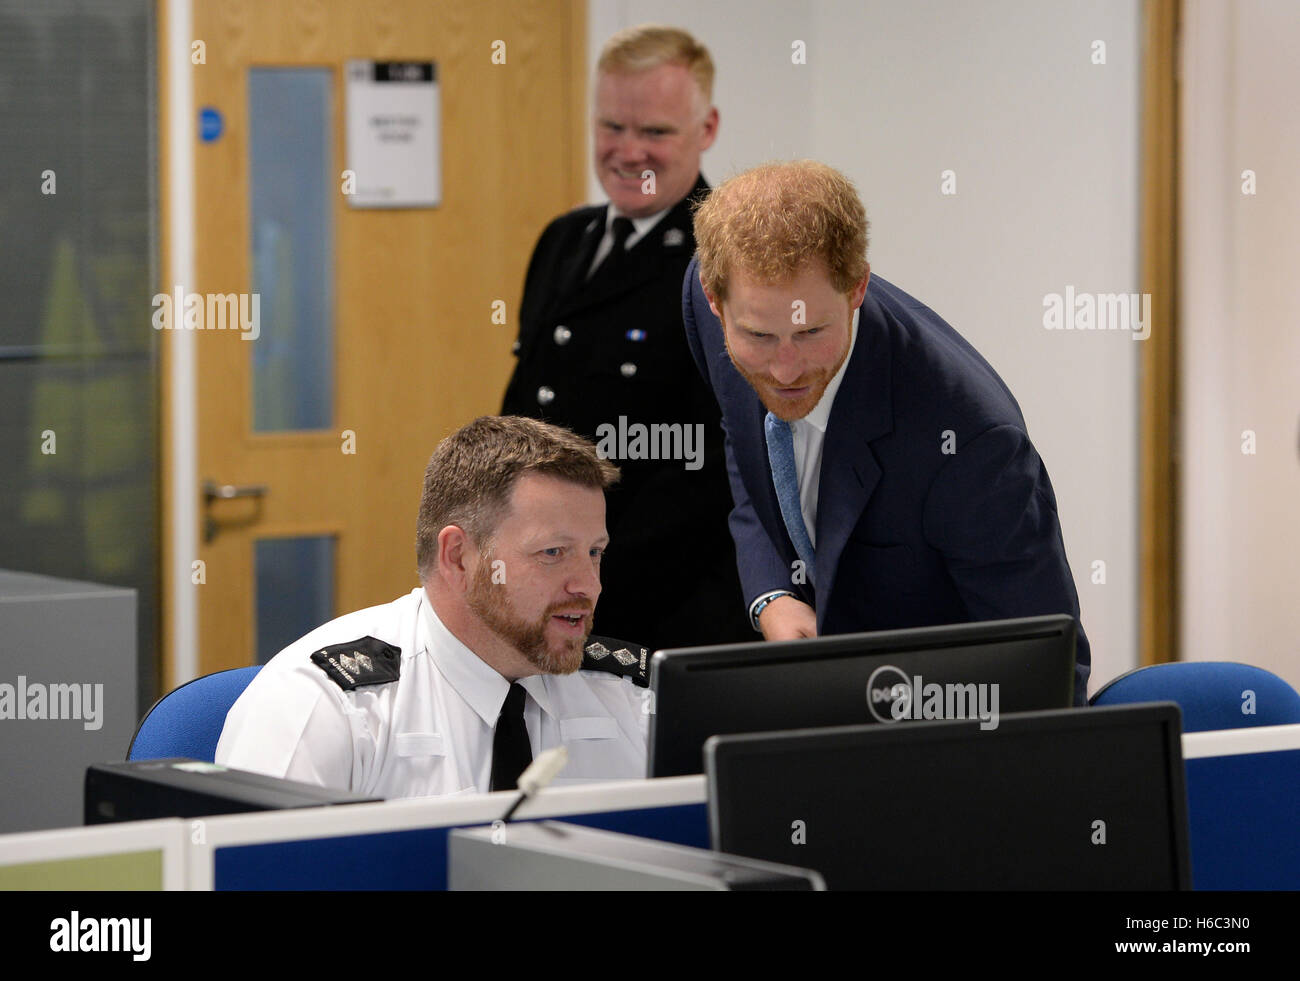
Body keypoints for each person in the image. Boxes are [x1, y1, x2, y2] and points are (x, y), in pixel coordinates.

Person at [682, 160, 1092, 705]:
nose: (784, 370)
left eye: (810, 333)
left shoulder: (971, 443)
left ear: (857, 288)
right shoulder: (705, 297)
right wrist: (771, 593)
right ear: (715, 299)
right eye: (758, 335)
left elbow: (1048, 673)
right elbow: (746, 440)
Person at [215, 416, 652, 798]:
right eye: (553, 553)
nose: (589, 585)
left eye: (595, 552)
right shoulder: (324, 707)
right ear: (458, 557)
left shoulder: (633, 700)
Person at [502, 24, 751, 651]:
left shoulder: (728, 257)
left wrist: (579, 573)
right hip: (545, 598)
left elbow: (715, 465)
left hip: (659, 612)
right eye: (613, 126)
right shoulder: (565, 240)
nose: (629, 150)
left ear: (708, 128)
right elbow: (525, 410)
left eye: (656, 131)